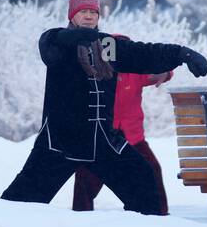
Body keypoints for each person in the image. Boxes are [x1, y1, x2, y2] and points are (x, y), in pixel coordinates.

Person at [1, 0, 207, 215]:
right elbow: (52, 46)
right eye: (83, 12)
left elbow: (142, 54)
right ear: (72, 15)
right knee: (18, 204)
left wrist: (181, 54)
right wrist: (91, 38)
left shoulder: (106, 47)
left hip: (100, 142)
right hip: (58, 144)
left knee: (143, 179)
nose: (89, 16)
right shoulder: (56, 41)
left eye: (93, 12)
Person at [72, 36, 172, 215]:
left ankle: (160, 215)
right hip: (102, 138)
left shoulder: (135, 72)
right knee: (86, 176)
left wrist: (165, 73)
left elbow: (159, 67)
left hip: (133, 138)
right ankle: (81, 215)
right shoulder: (95, 72)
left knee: (152, 170)